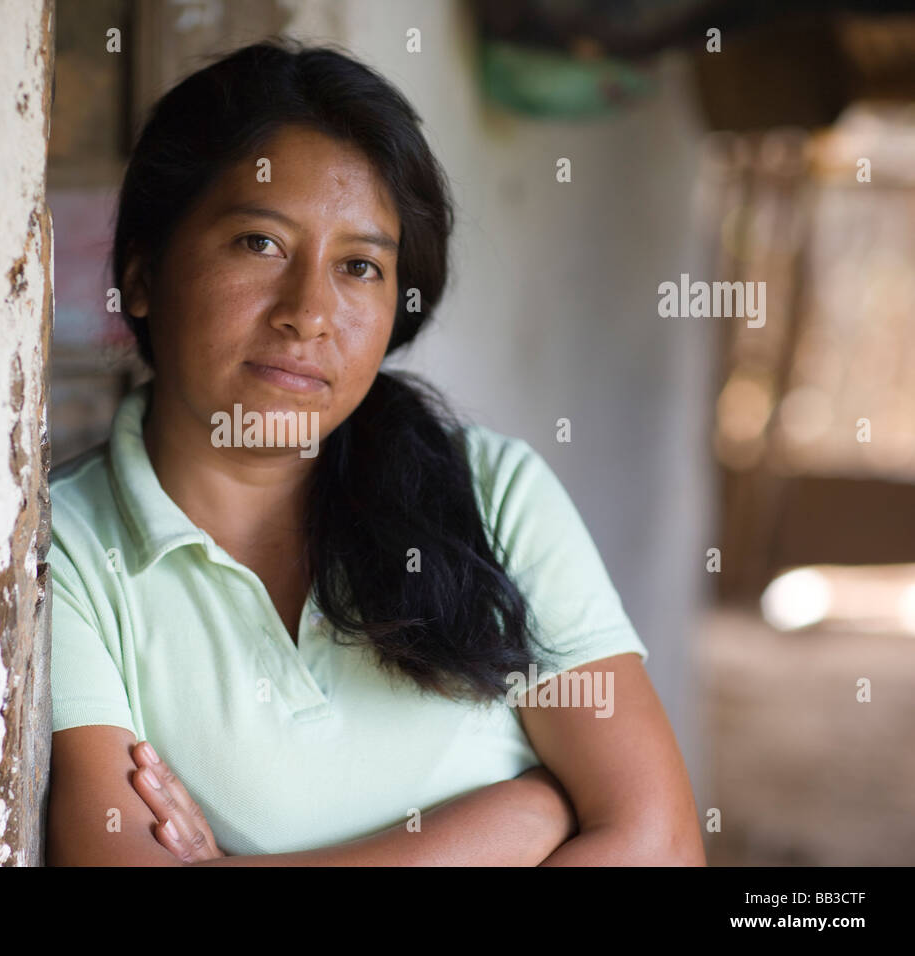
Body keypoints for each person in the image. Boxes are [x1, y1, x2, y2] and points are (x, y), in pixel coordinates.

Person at [45, 37, 704, 866]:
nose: (309, 311)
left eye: (359, 265)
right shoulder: (68, 550)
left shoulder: (492, 495)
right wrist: (517, 821)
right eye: (260, 244)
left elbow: (661, 844)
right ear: (142, 273)